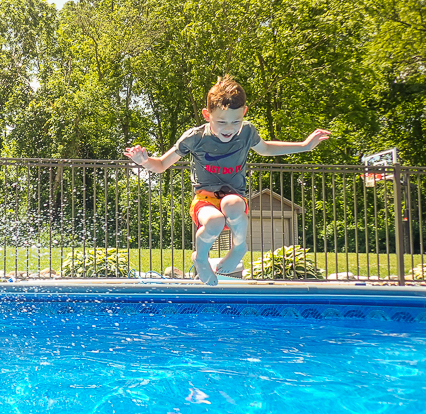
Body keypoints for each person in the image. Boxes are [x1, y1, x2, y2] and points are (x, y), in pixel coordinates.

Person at [124, 76, 330, 286]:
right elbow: (160, 165)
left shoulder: (247, 132)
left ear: (244, 113)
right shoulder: (194, 138)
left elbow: (266, 149)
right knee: (214, 221)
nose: (229, 128)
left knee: (232, 203)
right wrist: (144, 161)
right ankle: (201, 258)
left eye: (235, 121)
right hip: (204, 201)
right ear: (207, 115)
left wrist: (304, 145)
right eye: (221, 122)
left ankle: (239, 247)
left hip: (234, 200)